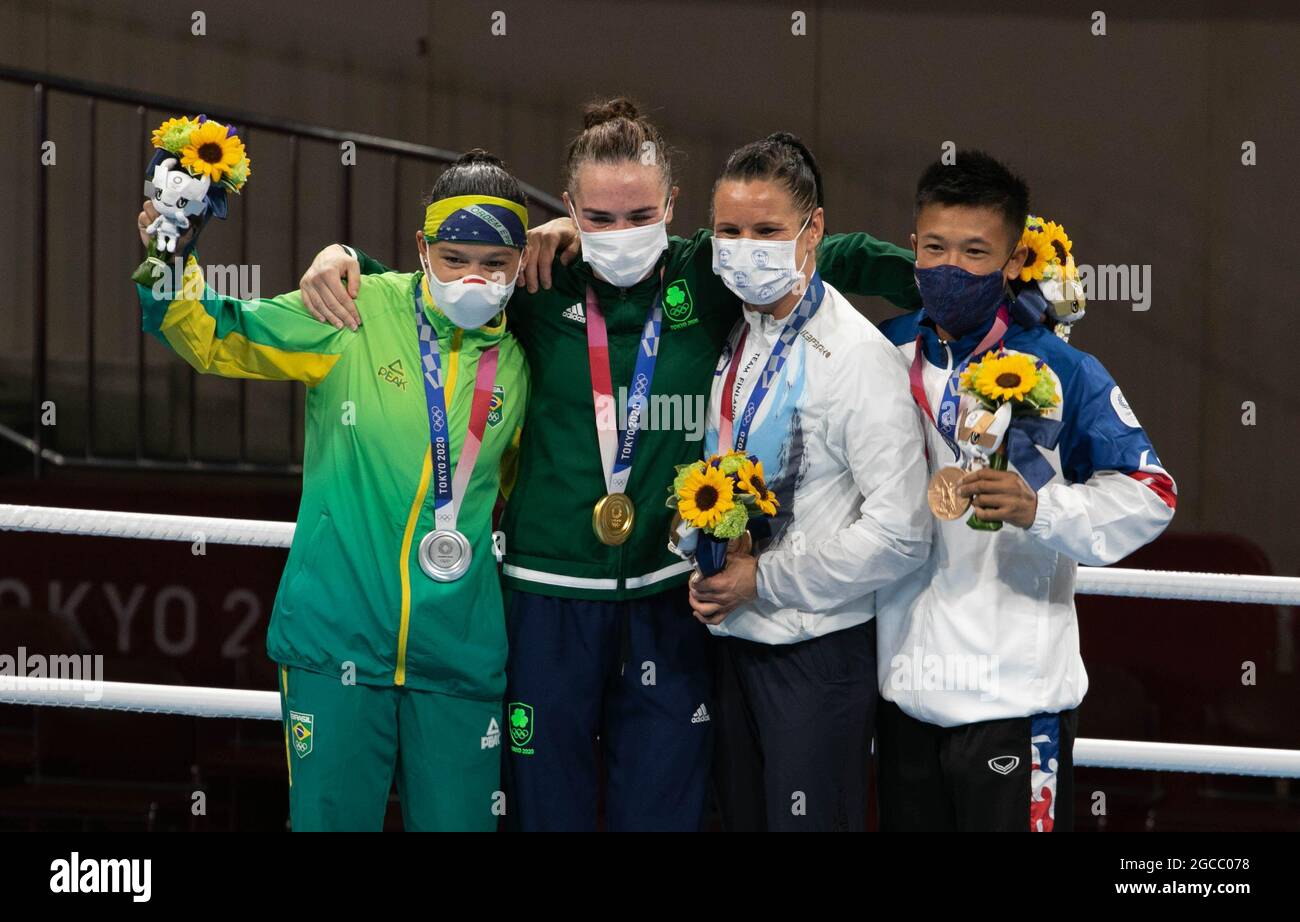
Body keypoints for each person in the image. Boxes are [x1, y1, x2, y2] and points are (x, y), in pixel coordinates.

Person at [298, 98, 923, 831]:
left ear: (671, 207)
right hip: (544, 599)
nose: (618, 233)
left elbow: (826, 250)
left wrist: (953, 282)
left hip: (668, 602)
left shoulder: (713, 273)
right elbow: (433, 293)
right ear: (566, 208)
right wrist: (344, 261)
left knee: (661, 816)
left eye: (637, 216)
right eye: (596, 217)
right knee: (546, 814)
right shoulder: (535, 281)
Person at [134, 150, 532, 831]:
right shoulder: (350, 310)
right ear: (420, 247)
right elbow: (209, 334)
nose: (474, 277)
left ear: (521, 264)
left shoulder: (526, 361)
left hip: (458, 661)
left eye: (495, 264)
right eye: (454, 256)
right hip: (335, 646)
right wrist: (170, 252)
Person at [873, 150, 1178, 832]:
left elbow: (1153, 491)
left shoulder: (1063, 367)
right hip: (904, 701)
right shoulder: (881, 353)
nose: (950, 266)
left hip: (1015, 707)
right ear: (912, 245)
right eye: (934, 247)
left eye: (976, 251)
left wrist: (1043, 508)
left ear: (1013, 261)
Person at [682, 134, 931, 831]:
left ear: (813, 229)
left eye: (766, 231)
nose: (744, 247)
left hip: (816, 659)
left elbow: (902, 535)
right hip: (732, 645)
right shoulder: (740, 336)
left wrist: (763, 579)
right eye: (729, 231)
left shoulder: (858, 358)